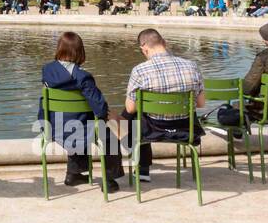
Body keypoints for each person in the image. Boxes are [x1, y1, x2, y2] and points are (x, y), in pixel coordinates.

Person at [37, 32, 122, 190]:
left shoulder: (47, 70)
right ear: (80, 51)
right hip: (78, 128)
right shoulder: (82, 76)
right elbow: (100, 107)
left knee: (76, 119)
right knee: (108, 133)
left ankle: (73, 174)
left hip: (53, 126)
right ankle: (109, 180)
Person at [123, 28, 205, 183]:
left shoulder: (140, 70)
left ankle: (141, 168)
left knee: (128, 116)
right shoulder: (192, 66)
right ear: (164, 43)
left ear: (144, 48)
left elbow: (130, 108)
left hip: (154, 128)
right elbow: (200, 103)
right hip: (185, 127)